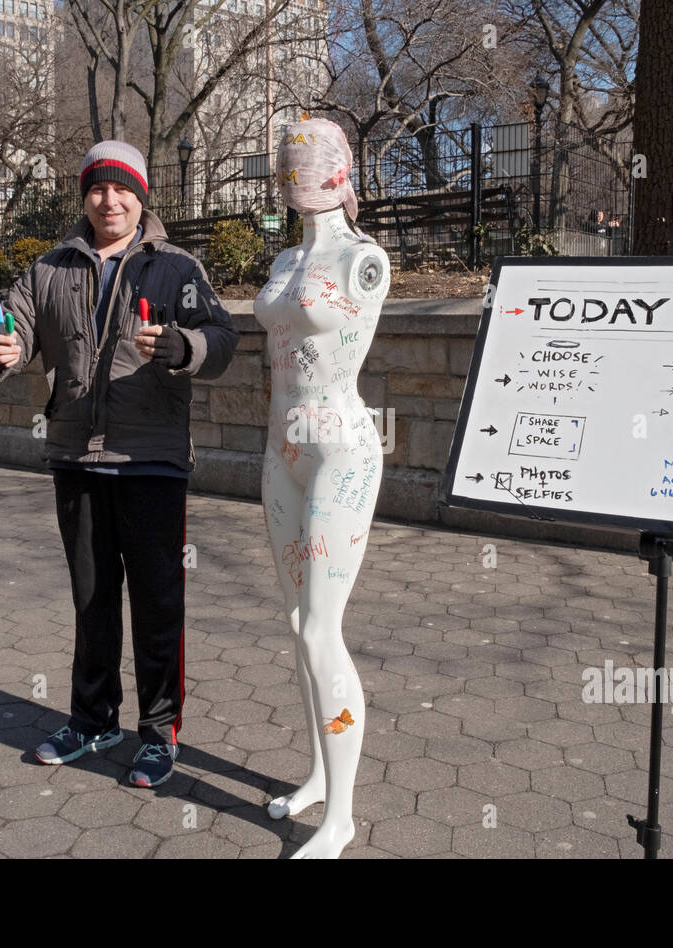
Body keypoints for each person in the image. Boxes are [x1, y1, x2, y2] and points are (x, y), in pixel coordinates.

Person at [0, 140, 239, 788]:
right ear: (84, 195)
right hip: (77, 458)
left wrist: (182, 346)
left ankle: (158, 734)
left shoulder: (174, 267)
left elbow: (223, 340)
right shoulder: (51, 268)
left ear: (140, 196)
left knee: (156, 604)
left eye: (121, 189)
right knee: (92, 602)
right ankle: (92, 721)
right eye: (97, 188)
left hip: (151, 461)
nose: (108, 200)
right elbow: (15, 329)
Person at [254, 118, 389, 858]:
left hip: (339, 448)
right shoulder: (283, 258)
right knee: (295, 623)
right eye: (284, 164)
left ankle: (341, 817)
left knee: (318, 630)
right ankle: (315, 775)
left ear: (342, 169)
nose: (292, 174)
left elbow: (347, 330)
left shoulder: (364, 259)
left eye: (308, 161)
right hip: (281, 451)